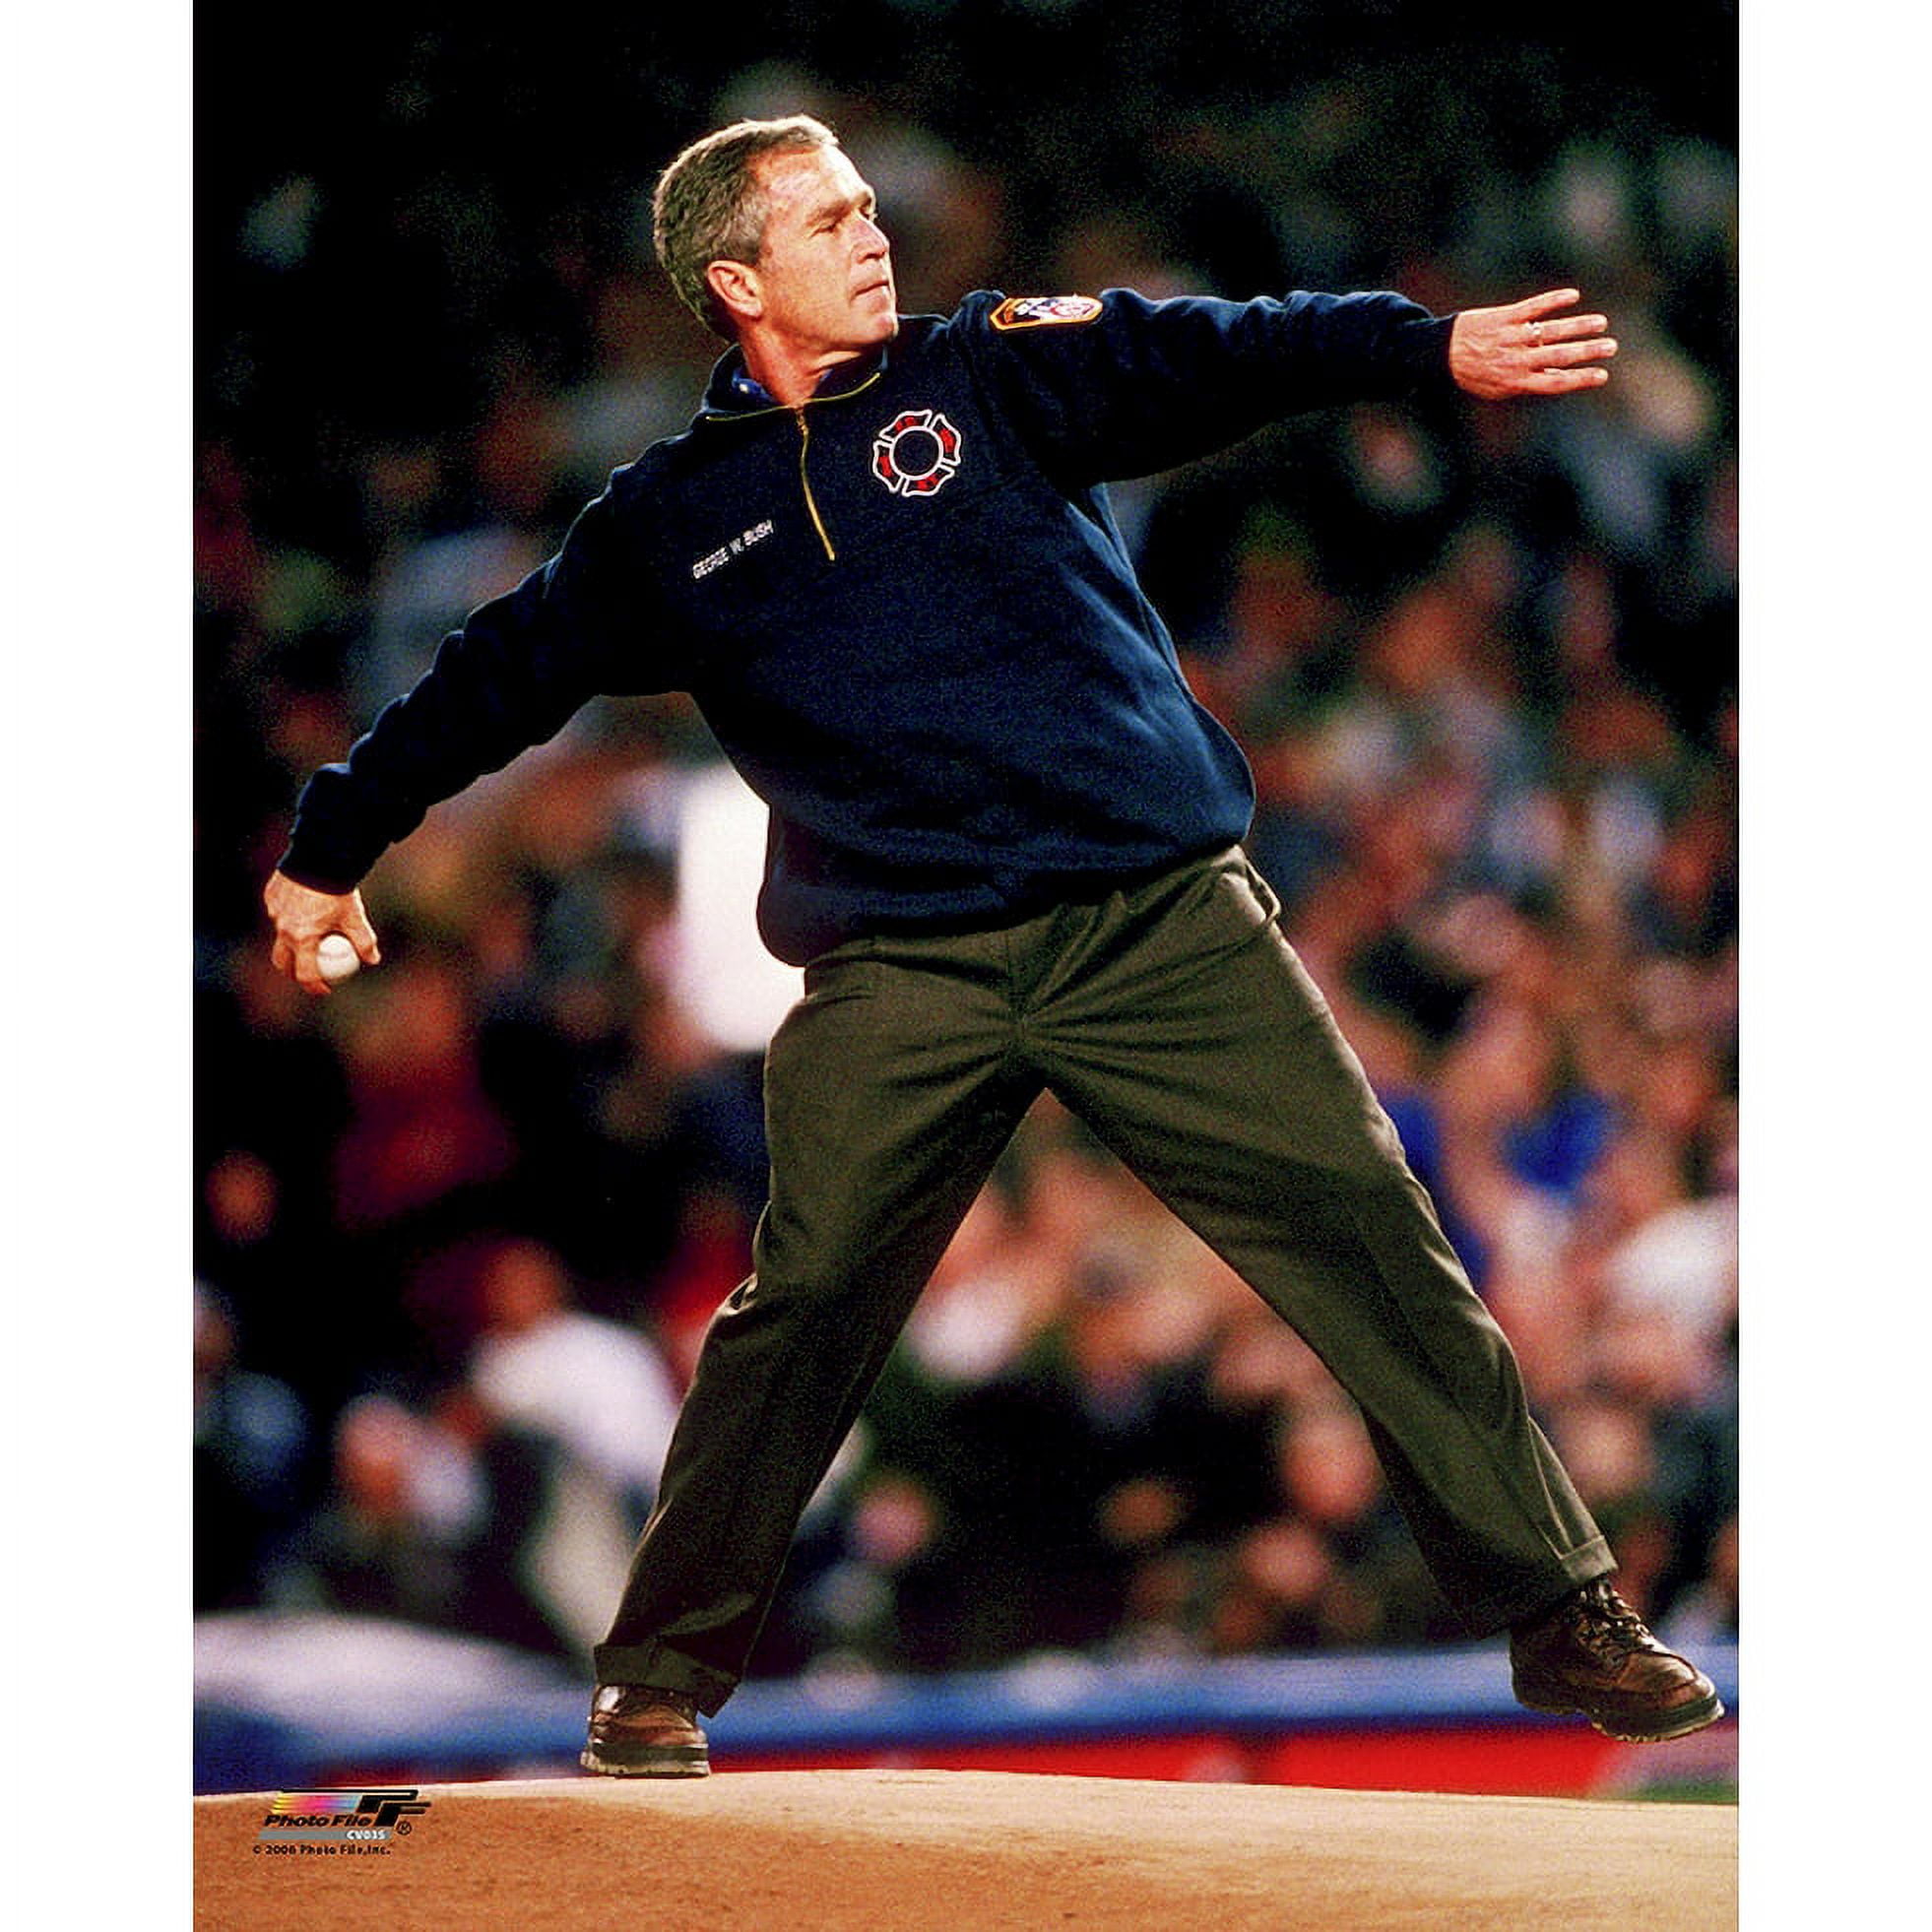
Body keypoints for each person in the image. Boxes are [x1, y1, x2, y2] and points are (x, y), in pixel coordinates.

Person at [263, 113, 1722, 1775]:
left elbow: (1212, 354)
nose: (873, 236)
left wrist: (1421, 344)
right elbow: (494, 675)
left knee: (1366, 1227)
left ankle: (1561, 1608)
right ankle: (657, 1676)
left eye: (869, 208)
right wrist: (329, 847)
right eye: (827, 222)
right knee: (800, 1304)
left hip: (1154, 922)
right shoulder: (668, 522)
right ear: (737, 282)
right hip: (901, 972)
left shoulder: (993, 372)